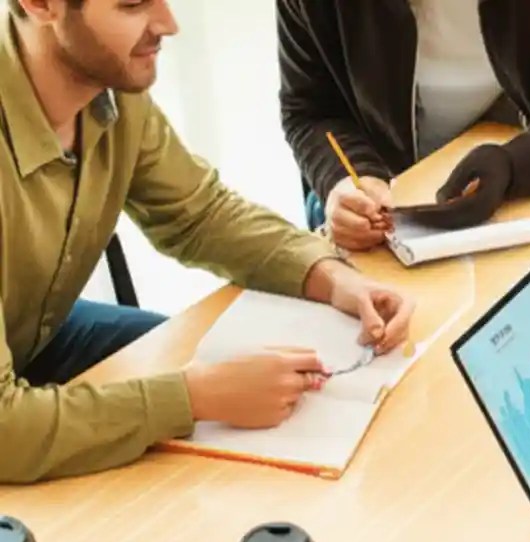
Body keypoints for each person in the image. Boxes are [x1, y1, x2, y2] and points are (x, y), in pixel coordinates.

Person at [0, 0, 416, 484]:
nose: (168, 24)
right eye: (133, 4)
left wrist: (332, 277)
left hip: (35, 333)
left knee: (194, 375)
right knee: (191, 404)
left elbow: (201, 215)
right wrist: (196, 397)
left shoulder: (110, 89)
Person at [277, 0, 530, 251]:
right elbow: (310, 109)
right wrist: (348, 176)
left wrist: (515, 165)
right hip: (382, 197)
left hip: (511, 190)